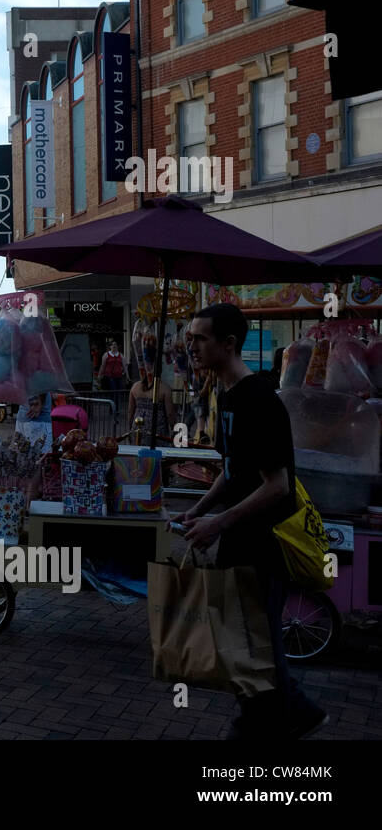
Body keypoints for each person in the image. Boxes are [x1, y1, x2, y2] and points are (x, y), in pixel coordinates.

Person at [173, 303, 327, 741]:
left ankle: (288, 715)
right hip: (239, 539)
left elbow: (276, 485)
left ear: (228, 344)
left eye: (200, 338)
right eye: (190, 338)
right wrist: (199, 511)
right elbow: (233, 470)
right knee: (239, 637)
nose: (192, 346)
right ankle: (275, 716)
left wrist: (217, 524)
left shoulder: (260, 398)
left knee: (254, 639)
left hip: (266, 543)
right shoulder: (227, 395)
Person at [128, 359, 175, 444]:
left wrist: (129, 428)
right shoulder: (165, 389)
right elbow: (170, 414)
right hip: (156, 431)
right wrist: (174, 429)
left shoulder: (135, 387)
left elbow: (130, 411)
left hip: (138, 429)